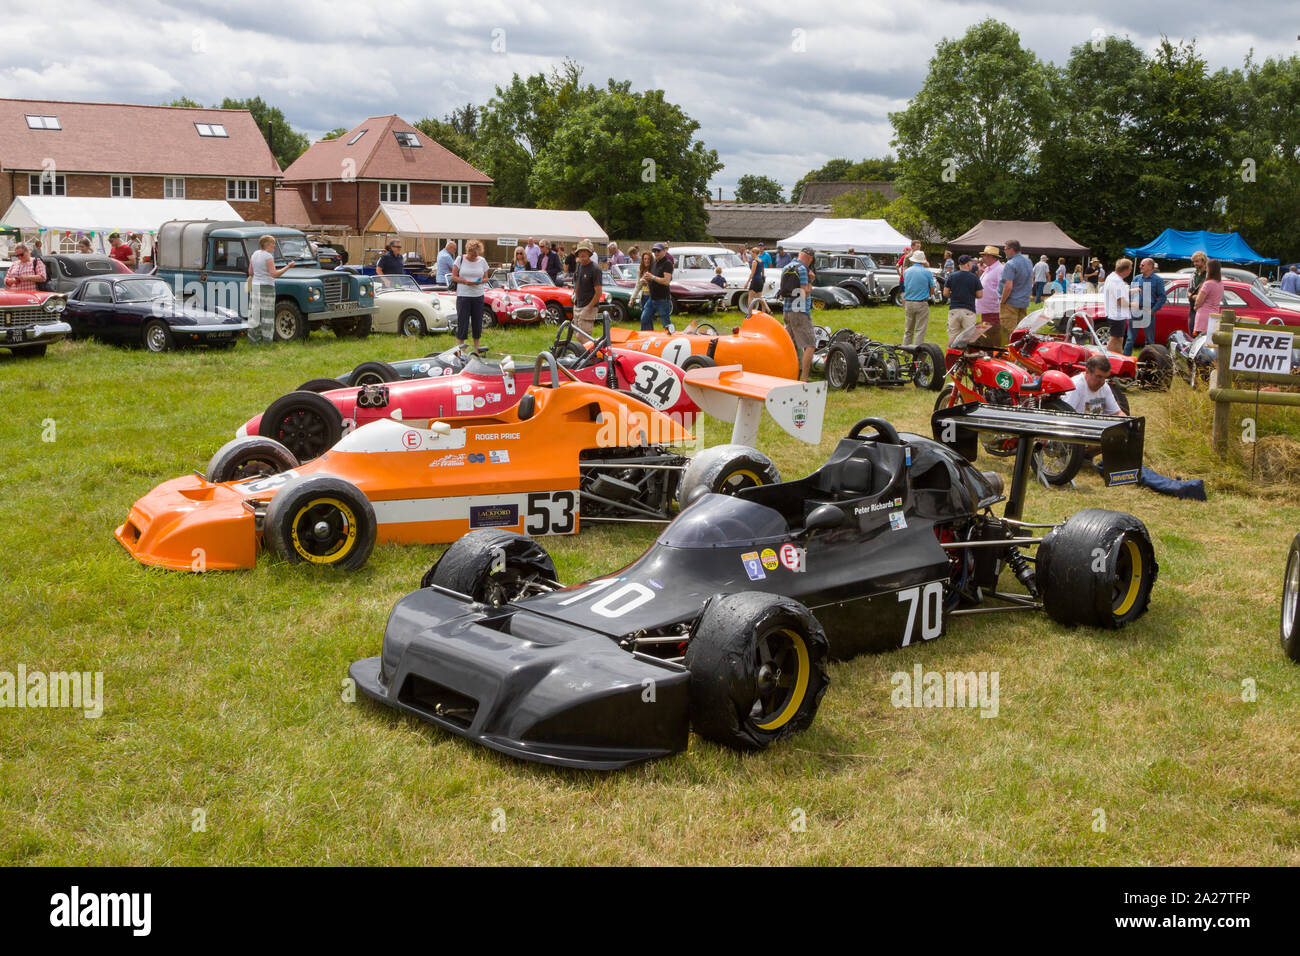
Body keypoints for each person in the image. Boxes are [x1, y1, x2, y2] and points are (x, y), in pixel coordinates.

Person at [248, 235, 294, 344]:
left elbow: (250, 272)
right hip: (267, 288)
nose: (274, 246)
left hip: (255, 287)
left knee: (255, 314)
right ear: (267, 244)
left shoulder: (254, 254)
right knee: (267, 315)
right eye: (273, 244)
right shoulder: (268, 256)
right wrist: (288, 267)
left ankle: (253, 340)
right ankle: (267, 341)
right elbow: (274, 274)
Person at [780, 247, 817, 381]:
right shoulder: (802, 270)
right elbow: (803, 293)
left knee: (790, 346)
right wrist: (810, 280)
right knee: (810, 344)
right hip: (800, 312)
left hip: (787, 311)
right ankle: (804, 379)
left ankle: (789, 374)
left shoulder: (786, 267)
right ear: (810, 258)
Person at [451, 239, 490, 352]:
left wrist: (480, 282)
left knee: (477, 322)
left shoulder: (482, 261)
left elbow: (486, 277)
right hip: (463, 295)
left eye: (477, 253)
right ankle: (461, 349)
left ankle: (477, 348)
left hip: (478, 295)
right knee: (463, 322)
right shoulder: (460, 259)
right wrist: (464, 281)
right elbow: (453, 276)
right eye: (473, 254)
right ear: (468, 251)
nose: (475, 256)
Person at [1063, 353, 1126, 417]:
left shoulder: (1105, 387)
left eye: (1105, 377)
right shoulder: (1076, 386)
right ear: (1087, 371)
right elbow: (1065, 417)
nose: (1102, 382)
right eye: (1099, 377)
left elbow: (1117, 413)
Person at [997, 239, 1033, 345]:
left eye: (1005, 249)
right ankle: (1019, 357)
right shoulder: (1028, 261)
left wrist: (1002, 301)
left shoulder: (1010, 263)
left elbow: (1008, 286)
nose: (1004, 252)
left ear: (1011, 249)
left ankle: (1008, 357)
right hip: (1023, 302)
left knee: (1008, 334)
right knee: (1020, 333)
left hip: (1010, 303)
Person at [1128, 258, 1167, 354]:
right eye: (1140, 265)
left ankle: (1149, 360)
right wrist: (1130, 305)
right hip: (1135, 311)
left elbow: (1163, 297)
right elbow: (1130, 294)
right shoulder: (1137, 278)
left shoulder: (1157, 280)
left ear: (1150, 266)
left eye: (1142, 265)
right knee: (1130, 338)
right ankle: (1125, 358)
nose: (1140, 266)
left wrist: (1153, 310)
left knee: (1149, 340)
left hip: (1148, 310)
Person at [942, 254, 982, 344]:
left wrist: (953, 295)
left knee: (953, 336)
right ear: (968, 264)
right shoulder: (974, 277)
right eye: (971, 262)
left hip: (954, 309)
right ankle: (966, 357)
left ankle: (949, 356)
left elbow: (945, 293)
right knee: (969, 338)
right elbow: (980, 295)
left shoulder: (952, 276)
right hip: (968, 310)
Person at [902, 249, 938, 347]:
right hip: (921, 302)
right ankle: (916, 351)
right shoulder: (927, 272)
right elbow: (932, 288)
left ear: (913, 260)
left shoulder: (906, 272)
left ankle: (905, 349)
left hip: (909, 301)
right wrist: (929, 294)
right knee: (920, 329)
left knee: (908, 329)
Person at [569, 240, 603, 336]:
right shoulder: (579, 265)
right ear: (577, 253)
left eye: (585, 251)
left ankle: (593, 351)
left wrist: (589, 307)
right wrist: (575, 300)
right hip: (578, 305)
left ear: (589, 253)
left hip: (589, 306)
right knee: (577, 334)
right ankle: (583, 351)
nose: (582, 253)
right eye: (580, 251)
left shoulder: (595, 269)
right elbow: (577, 283)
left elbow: (598, 293)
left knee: (583, 336)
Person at [640, 243, 675, 332]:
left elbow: (666, 281)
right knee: (644, 318)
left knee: (665, 323)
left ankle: (670, 339)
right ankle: (648, 339)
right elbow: (653, 279)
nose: (656, 253)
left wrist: (652, 277)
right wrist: (646, 281)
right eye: (654, 251)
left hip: (663, 299)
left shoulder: (667, 263)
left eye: (658, 251)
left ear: (664, 251)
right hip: (652, 298)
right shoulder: (654, 263)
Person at [1103, 257, 1134, 354]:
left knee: (1117, 339)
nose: (1130, 271)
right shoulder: (1117, 282)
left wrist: (1133, 291)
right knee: (1116, 339)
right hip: (1117, 315)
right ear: (1125, 270)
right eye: (1130, 268)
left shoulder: (1111, 277)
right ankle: (1113, 358)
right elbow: (1120, 301)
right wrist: (1134, 305)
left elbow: (1119, 293)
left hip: (1113, 313)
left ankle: (1112, 357)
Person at [976, 245, 1003, 343]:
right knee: (988, 332)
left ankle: (994, 351)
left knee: (992, 332)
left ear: (992, 257)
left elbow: (1003, 288)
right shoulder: (989, 268)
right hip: (987, 309)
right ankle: (990, 350)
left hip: (993, 309)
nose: (983, 258)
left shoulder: (999, 269)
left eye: (985, 255)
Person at [1192, 258, 1224, 336]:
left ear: (1210, 269)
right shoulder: (1221, 284)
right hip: (1215, 315)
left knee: (1199, 339)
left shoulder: (1208, 284)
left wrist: (1195, 307)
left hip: (1203, 315)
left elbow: (1199, 301)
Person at [1186, 251, 1208, 335]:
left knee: (1201, 335)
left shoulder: (1208, 275)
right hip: (1193, 308)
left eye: (1197, 261)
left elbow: (1207, 292)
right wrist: (1191, 296)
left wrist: (1196, 297)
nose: (1195, 264)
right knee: (1192, 333)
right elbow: (1189, 290)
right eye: (1194, 262)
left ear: (1203, 261)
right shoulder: (1193, 275)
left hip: (1203, 308)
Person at [744, 244, 765, 313]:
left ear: (754, 253)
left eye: (751, 253)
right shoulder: (761, 261)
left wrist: (747, 282)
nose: (751, 254)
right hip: (760, 280)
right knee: (759, 298)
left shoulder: (754, 261)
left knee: (750, 296)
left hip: (755, 280)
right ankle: (765, 311)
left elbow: (752, 274)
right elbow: (763, 272)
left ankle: (749, 312)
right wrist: (763, 280)